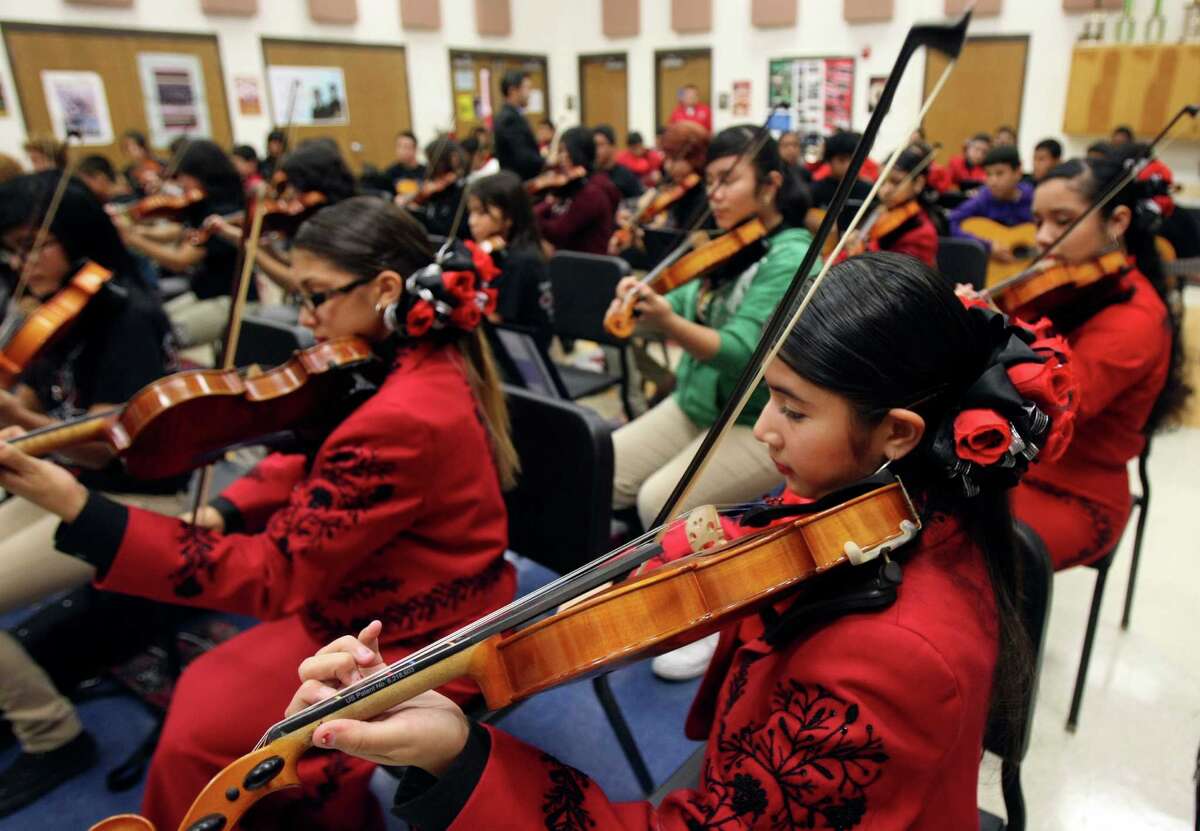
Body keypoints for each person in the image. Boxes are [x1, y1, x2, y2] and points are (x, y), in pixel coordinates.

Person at [287, 251, 1078, 831]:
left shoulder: (889, 655)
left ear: (902, 432)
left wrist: (462, 755)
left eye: (795, 410)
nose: (765, 429)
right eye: (769, 395)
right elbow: (644, 595)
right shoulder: (875, 500)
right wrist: (436, 677)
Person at [0, 196, 519, 831]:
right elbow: (313, 461)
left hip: (419, 631)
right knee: (204, 699)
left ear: (385, 288)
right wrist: (221, 509)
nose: (305, 319)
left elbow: (273, 577)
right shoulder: (407, 357)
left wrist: (76, 504)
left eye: (316, 296)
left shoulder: (401, 413)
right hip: (402, 591)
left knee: (199, 739)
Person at [0, 171, 182, 816]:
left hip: (138, 496)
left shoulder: (124, 316)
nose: (22, 262)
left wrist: (16, 421)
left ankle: (54, 737)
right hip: (69, 481)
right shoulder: (52, 316)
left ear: (76, 239)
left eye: (33, 246)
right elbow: (32, 404)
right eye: (12, 249)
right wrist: (13, 407)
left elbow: (108, 445)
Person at [1008, 152, 1185, 570]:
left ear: (1118, 222)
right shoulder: (1077, 286)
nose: (1043, 238)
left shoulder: (1134, 321)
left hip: (1076, 494)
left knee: (955, 552)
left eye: (1062, 220)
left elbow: (1051, 410)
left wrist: (989, 333)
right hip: (1018, 467)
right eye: (1038, 222)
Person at [118, 139, 248, 353]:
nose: (180, 185)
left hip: (230, 300)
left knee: (162, 336)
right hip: (203, 293)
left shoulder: (222, 212)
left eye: (183, 177)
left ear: (201, 174)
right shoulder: (200, 206)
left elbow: (181, 261)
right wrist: (137, 231)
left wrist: (133, 239)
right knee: (147, 322)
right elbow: (176, 232)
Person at [467, 171, 554, 350]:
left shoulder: (521, 261)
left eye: (481, 213)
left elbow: (494, 320)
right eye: (471, 212)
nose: (471, 221)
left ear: (509, 217)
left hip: (521, 351)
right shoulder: (494, 251)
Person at [843, 146, 939, 268]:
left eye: (896, 182)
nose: (885, 190)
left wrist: (858, 256)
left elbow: (895, 281)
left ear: (918, 183)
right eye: (882, 181)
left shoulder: (922, 234)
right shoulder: (881, 210)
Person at [532, 127, 617, 256]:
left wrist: (533, 215)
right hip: (568, 261)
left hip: (587, 266)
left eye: (567, 152)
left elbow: (558, 232)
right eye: (560, 151)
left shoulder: (593, 191)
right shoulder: (569, 185)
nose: (562, 158)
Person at [949, 145, 1033, 264]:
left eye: (999, 173)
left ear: (1018, 172)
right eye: (988, 174)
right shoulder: (984, 198)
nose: (992, 181)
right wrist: (986, 245)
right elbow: (953, 221)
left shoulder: (1033, 199)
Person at [405, 135, 467, 239]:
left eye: (433, 162)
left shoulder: (460, 190)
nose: (430, 168)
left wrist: (420, 215)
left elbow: (450, 231)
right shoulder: (432, 189)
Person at [493, 71, 544, 181]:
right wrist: (546, 161)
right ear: (513, 91)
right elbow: (523, 157)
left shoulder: (512, 115)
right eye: (526, 88)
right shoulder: (509, 118)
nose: (529, 94)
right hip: (519, 181)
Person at [592, 124, 644, 200]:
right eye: (594, 146)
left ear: (613, 147)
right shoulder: (590, 175)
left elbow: (639, 202)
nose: (596, 150)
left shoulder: (626, 176)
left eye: (600, 145)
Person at [386, 130, 427, 200]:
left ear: (416, 149)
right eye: (399, 146)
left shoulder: (426, 171)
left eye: (406, 147)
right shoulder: (390, 172)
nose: (401, 151)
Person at [120, 129, 163, 196]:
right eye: (126, 147)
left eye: (133, 146)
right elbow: (132, 191)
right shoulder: (127, 171)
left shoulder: (161, 164)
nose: (129, 150)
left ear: (143, 147)